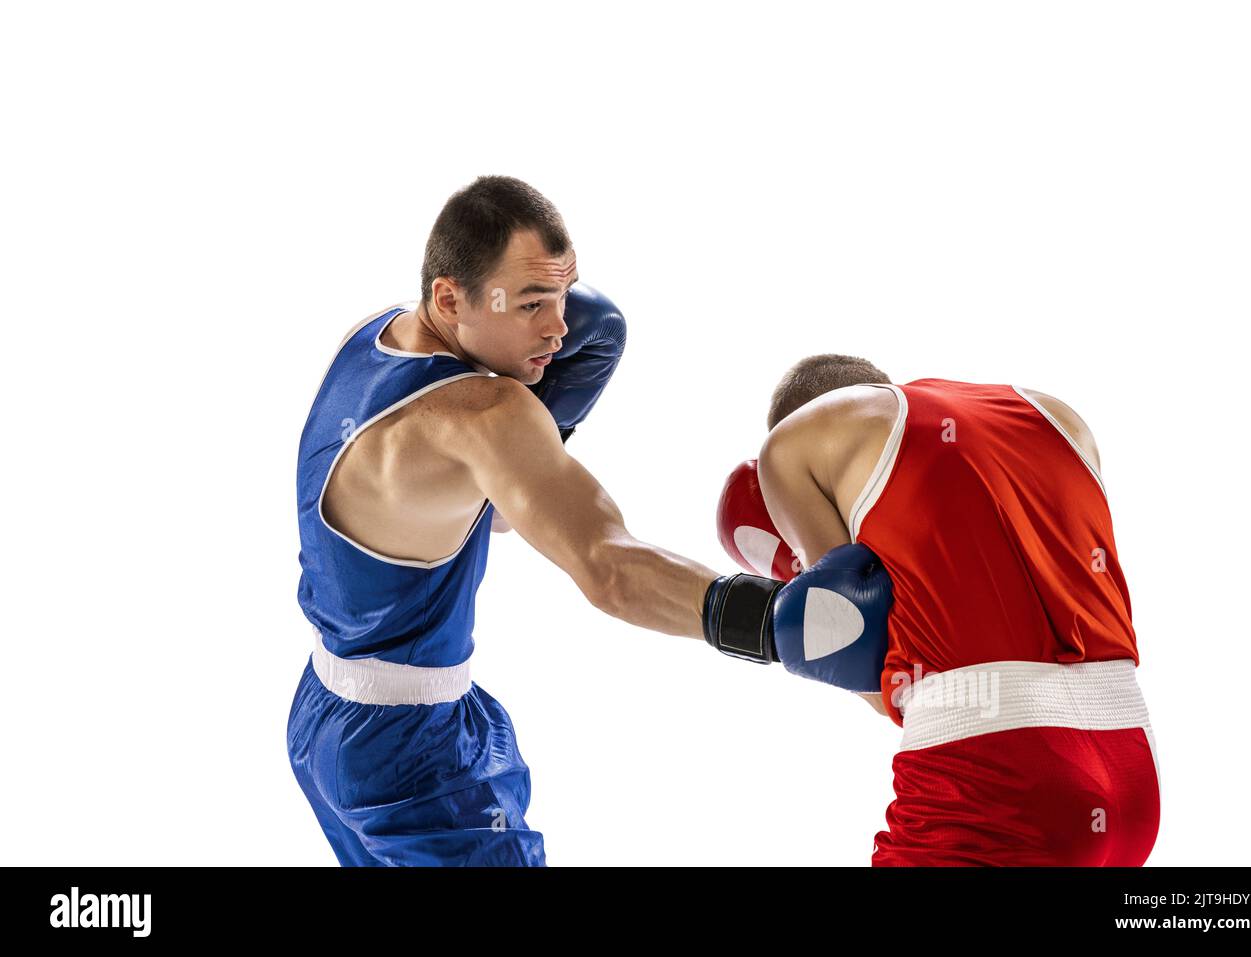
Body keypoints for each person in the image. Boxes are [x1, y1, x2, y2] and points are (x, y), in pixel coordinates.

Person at [287, 178, 887, 866]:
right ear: (450, 298)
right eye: (534, 302)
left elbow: (494, 512)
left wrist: (539, 433)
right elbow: (608, 567)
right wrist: (778, 623)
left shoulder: (373, 337)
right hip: (413, 756)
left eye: (563, 293)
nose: (562, 328)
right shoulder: (486, 415)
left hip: (325, 721)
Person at [715, 354, 1161, 865]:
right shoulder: (1055, 416)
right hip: (1134, 773)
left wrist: (794, 588)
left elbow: (857, 650)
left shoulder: (793, 444)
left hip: (991, 778)